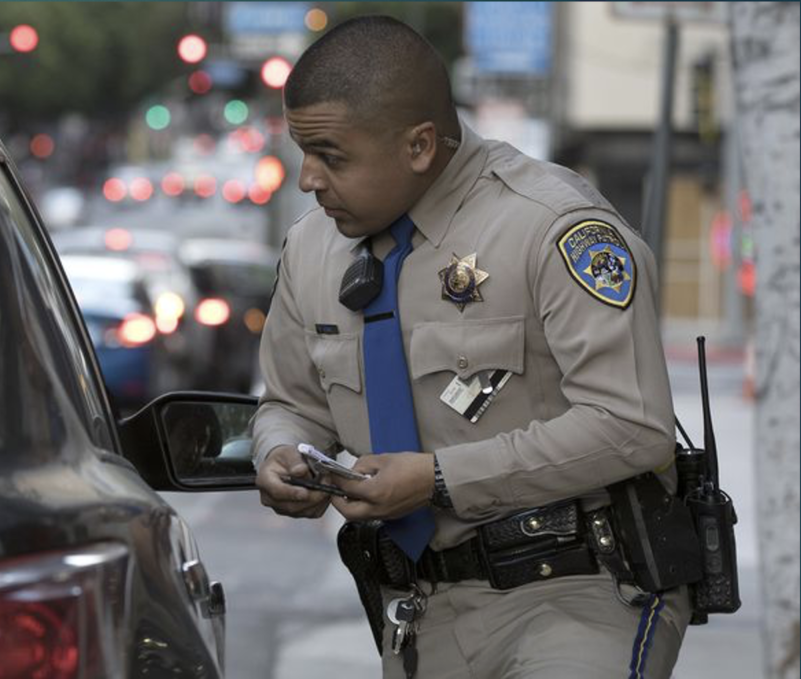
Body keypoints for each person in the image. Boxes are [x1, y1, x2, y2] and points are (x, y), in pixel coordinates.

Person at [253, 15, 690, 679]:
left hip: (576, 592)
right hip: (420, 610)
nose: (308, 177)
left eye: (331, 155)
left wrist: (437, 479)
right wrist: (279, 451)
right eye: (302, 151)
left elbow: (632, 426)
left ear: (420, 145)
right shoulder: (311, 249)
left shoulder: (553, 226)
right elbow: (290, 401)